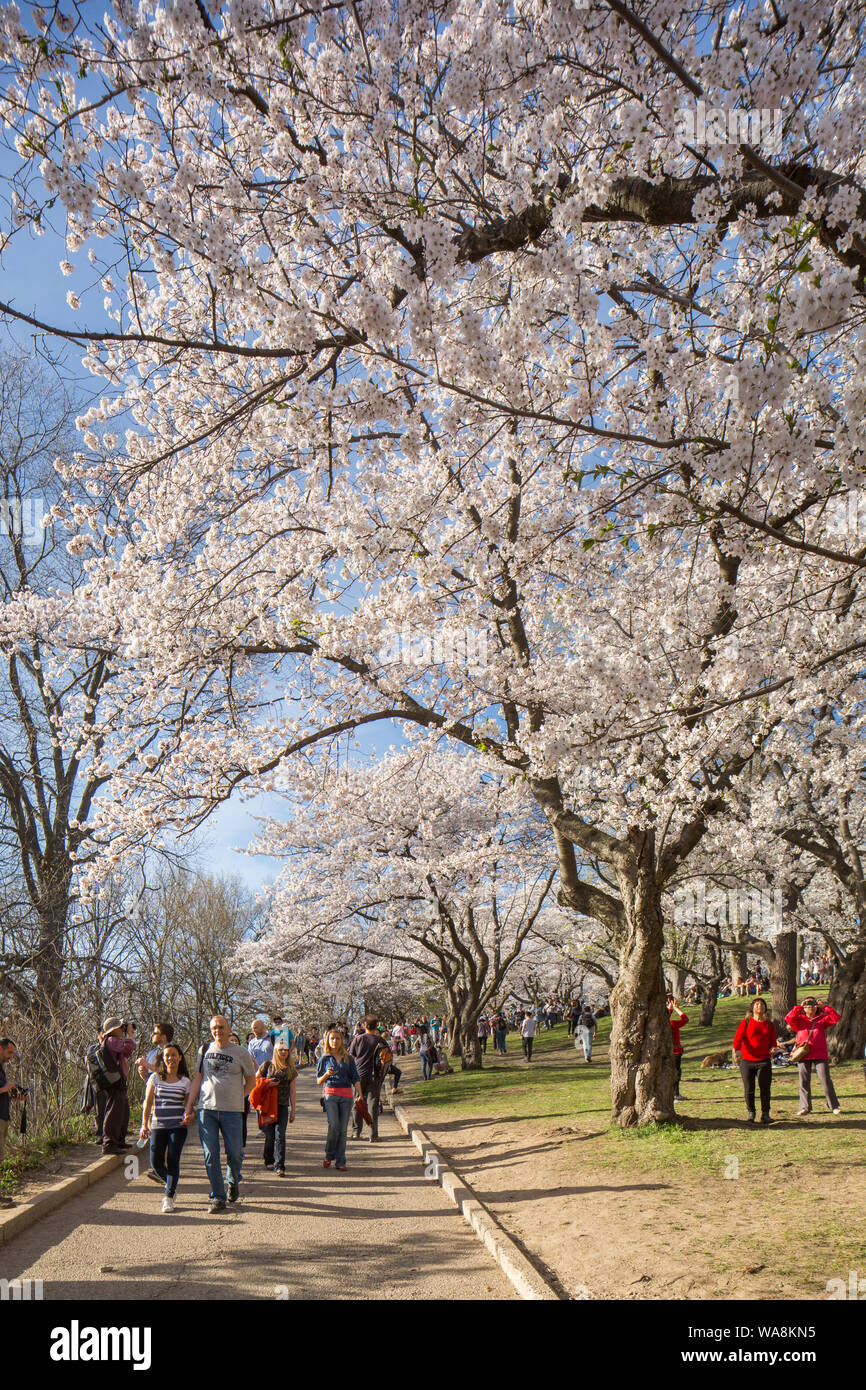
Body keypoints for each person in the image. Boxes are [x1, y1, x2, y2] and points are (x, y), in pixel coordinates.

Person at [182, 1015, 256, 1214]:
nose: (218, 1031)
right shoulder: (204, 1050)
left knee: (234, 1153)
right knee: (210, 1155)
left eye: (221, 1027)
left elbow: (251, 1080)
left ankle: (232, 1180)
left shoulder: (241, 1052)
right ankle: (218, 1196)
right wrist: (189, 1105)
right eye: (214, 1027)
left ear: (229, 1028)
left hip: (233, 1111)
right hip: (207, 1109)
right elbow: (198, 1078)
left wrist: (240, 1096)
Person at [140, 1043, 191, 1212]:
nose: (170, 1058)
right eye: (167, 1055)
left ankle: (169, 1196)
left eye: (174, 1055)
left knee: (173, 1160)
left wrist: (189, 1115)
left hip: (177, 1126)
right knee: (156, 1162)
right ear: (163, 1058)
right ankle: (171, 1185)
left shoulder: (185, 1081)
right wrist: (144, 1125)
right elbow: (147, 1103)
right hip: (157, 1126)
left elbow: (189, 1105)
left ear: (180, 1057)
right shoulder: (155, 1078)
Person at [785, 997, 842, 1115]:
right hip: (803, 1053)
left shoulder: (822, 1019)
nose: (809, 1006)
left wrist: (824, 1007)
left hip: (820, 1053)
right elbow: (789, 1018)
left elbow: (836, 1018)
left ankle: (834, 1105)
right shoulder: (799, 1020)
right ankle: (805, 1107)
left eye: (812, 1003)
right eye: (807, 1004)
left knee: (825, 1079)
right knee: (804, 1080)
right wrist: (799, 1007)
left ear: (816, 1006)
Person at [316, 1028, 361, 1170]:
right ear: (328, 1041)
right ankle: (329, 1155)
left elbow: (355, 1078)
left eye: (337, 1038)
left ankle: (341, 1161)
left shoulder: (349, 1059)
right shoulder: (324, 1058)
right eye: (332, 1038)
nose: (335, 1041)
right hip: (331, 1095)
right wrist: (326, 1075)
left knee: (342, 1129)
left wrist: (360, 1095)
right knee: (334, 1126)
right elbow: (318, 1081)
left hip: (347, 1096)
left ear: (342, 1041)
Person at [732, 997, 778, 1124]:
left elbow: (773, 1041)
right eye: (757, 1004)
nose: (759, 1006)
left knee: (765, 1088)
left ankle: (765, 1114)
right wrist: (737, 1050)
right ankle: (751, 1112)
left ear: (765, 1008)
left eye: (762, 1004)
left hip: (764, 1060)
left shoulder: (770, 1024)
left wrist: (773, 1048)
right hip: (747, 1061)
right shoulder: (746, 1022)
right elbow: (738, 1039)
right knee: (749, 1088)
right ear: (752, 1008)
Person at [257, 1039, 297, 1174]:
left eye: (286, 1049)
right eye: (281, 1049)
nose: (284, 1052)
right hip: (268, 1106)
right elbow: (256, 1082)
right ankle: (269, 1159)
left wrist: (293, 1110)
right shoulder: (267, 1066)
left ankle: (280, 1165)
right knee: (269, 1136)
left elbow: (293, 1090)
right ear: (275, 1051)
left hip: (283, 1106)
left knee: (280, 1135)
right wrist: (268, 1083)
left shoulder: (290, 1069)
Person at [101, 1017, 137, 1155]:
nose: (122, 1028)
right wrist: (130, 1035)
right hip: (114, 1082)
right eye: (120, 1026)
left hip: (119, 1081)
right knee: (114, 1112)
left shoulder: (115, 1042)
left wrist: (130, 1036)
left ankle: (119, 1140)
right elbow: (129, 1046)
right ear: (112, 1030)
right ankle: (109, 1144)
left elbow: (128, 1052)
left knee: (123, 1110)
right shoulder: (111, 1041)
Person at [350, 1016, 389, 1139]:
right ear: (376, 1026)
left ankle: (356, 1132)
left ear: (365, 1026)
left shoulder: (358, 1039)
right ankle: (373, 1134)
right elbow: (388, 1057)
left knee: (358, 1101)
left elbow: (352, 1055)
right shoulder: (380, 1040)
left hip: (359, 1074)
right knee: (373, 1104)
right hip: (375, 1075)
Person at [0, 1038, 18, 1208]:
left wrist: (13, 1092)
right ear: (1, 1048)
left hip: (3, 1116)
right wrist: (5, 1088)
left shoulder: (1, 1068)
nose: (11, 1057)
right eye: (9, 1052)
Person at [667, 995, 688, 1101]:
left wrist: (669, 1008)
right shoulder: (673, 1024)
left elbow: (665, 1016)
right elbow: (685, 1019)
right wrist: (676, 1008)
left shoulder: (661, 1026)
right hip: (676, 1052)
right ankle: (675, 1094)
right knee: (676, 1073)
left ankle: (673, 1094)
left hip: (666, 1052)